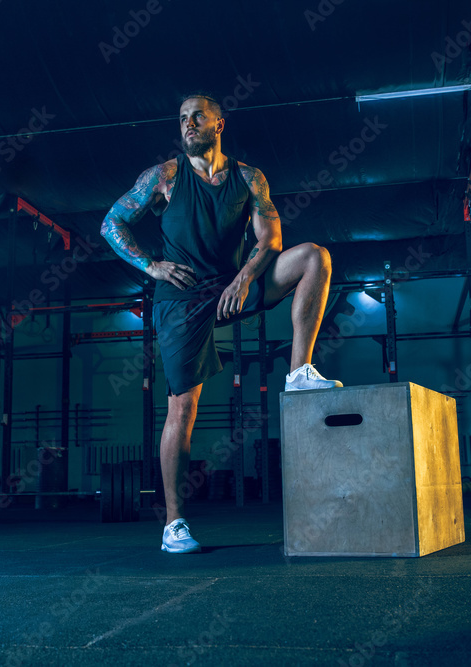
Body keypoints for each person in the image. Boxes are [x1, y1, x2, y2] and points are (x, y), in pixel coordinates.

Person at [100, 93, 342, 554]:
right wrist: (152, 267)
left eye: (198, 117)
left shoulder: (248, 177)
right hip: (181, 296)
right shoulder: (165, 175)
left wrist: (244, 278)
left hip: (232, 284)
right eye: (183, 119)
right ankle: (174, 524)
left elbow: (271, 238)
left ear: (219, 125)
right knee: (183, 410)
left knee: (314, 257)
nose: (188, 124)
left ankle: (298, 373)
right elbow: (112, 223)